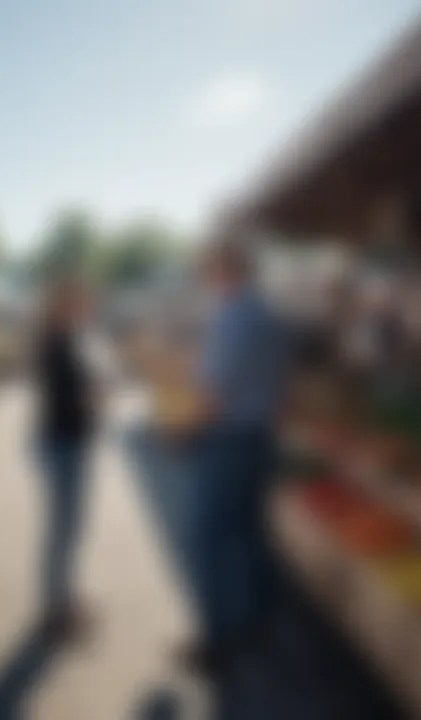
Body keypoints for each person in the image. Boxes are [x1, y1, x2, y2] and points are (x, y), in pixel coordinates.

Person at [178, 239, 288, 678]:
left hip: (226, 439)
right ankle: (259, 622)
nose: (205, 277)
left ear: (225, 269)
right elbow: (280, 388)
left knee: (208, 542)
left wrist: (185, 431)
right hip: (260, 437)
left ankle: (216, 640)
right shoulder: (269, 317)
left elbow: (213, 391)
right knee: (251, 533)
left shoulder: (228, 315)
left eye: (207, 268)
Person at [34, 278, 96, 640]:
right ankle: (55, 610)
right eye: (82, 303)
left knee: (70, 528)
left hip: (69, 442)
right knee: (62, 529)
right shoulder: (57, 342)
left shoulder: (66, 339)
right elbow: (68, 397)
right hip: (63, 443)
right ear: (65, 305)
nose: (87, 309)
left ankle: (64, 599)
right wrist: (94, 397)